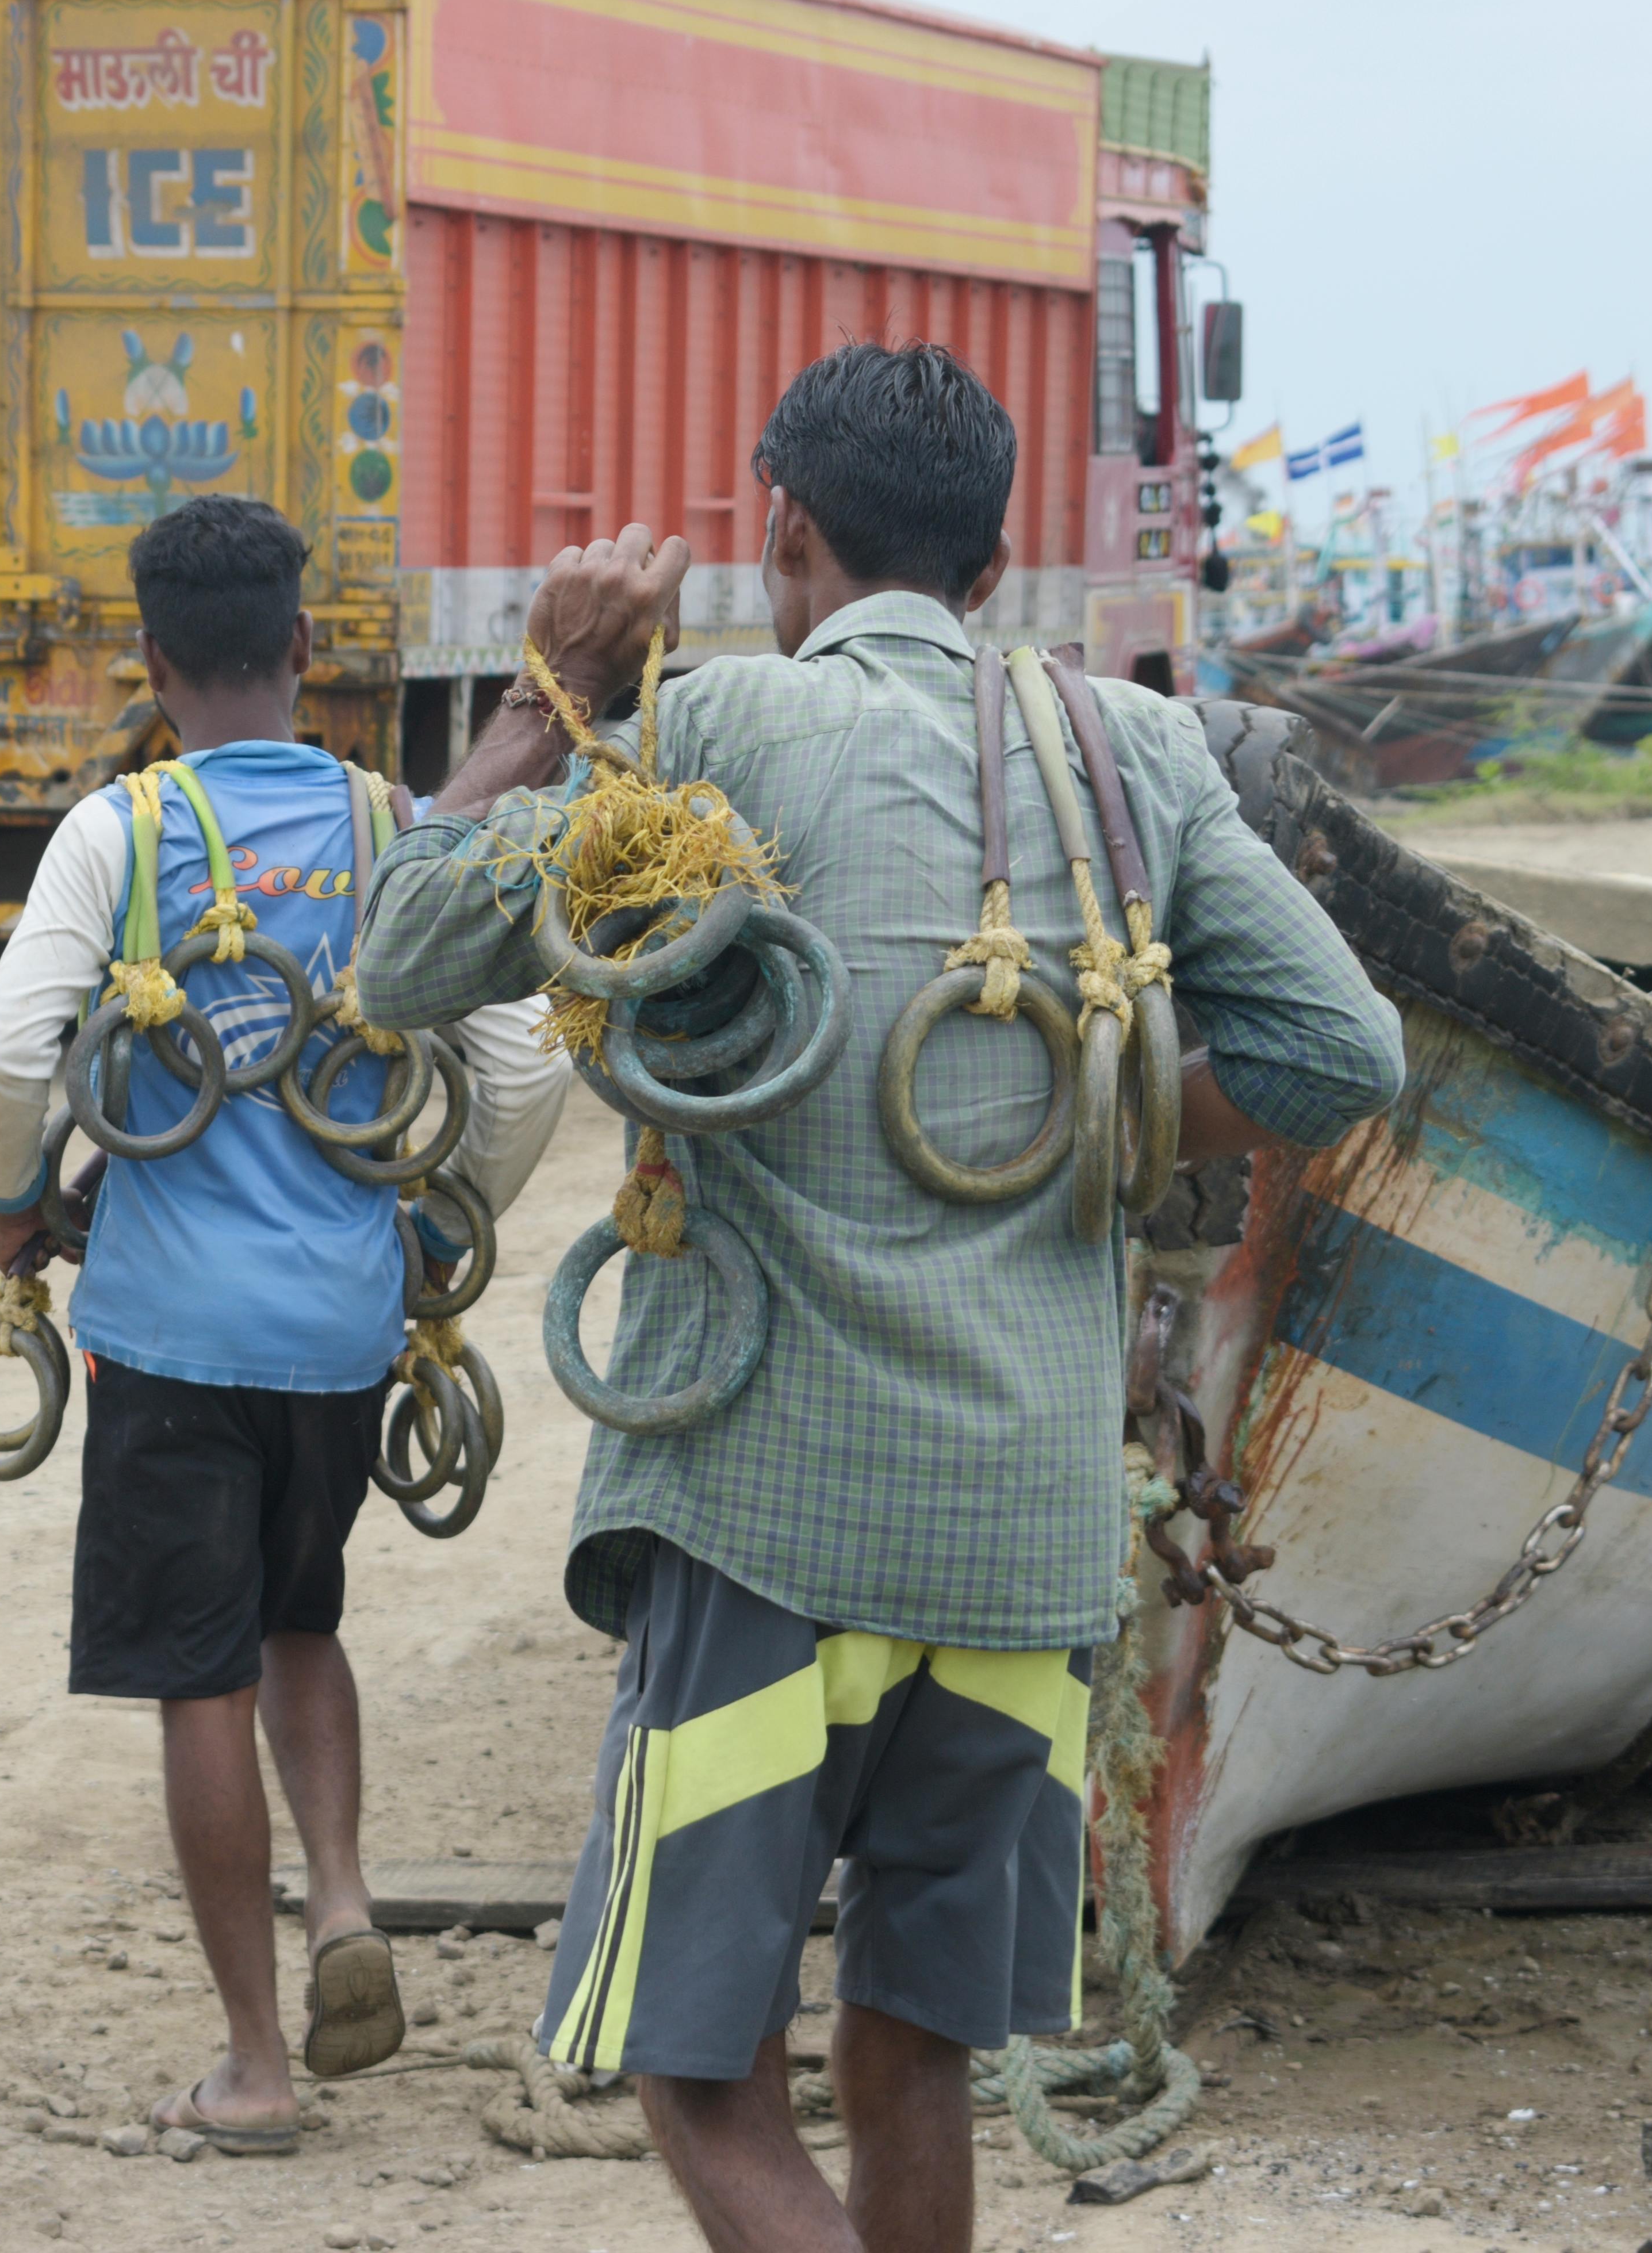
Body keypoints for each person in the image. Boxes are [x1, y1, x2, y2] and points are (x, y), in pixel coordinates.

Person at [354, 343, 1409, 2253]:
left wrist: (553, 700)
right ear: (994, 569)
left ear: (784, 531)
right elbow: (1346, 1057)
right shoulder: (1134, 750)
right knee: (916, 2059)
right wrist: (1082, 1100)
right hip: (1020, 1558)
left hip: (772, 1531)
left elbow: (407, 951)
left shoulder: (715, 731)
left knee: (700, 2079)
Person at [0, 496, 566, 2152]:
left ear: (151, 665)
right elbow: (520, 1060)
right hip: (343, 1333)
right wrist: (443, 1220)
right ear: (308, 651)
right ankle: (350, 1902)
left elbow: (14, 1054)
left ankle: (256, 2063)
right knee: (304, 1624)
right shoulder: (394, 826)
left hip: (167, 1340)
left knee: (200, 1683)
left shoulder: (121, 831)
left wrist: (14, 1203)